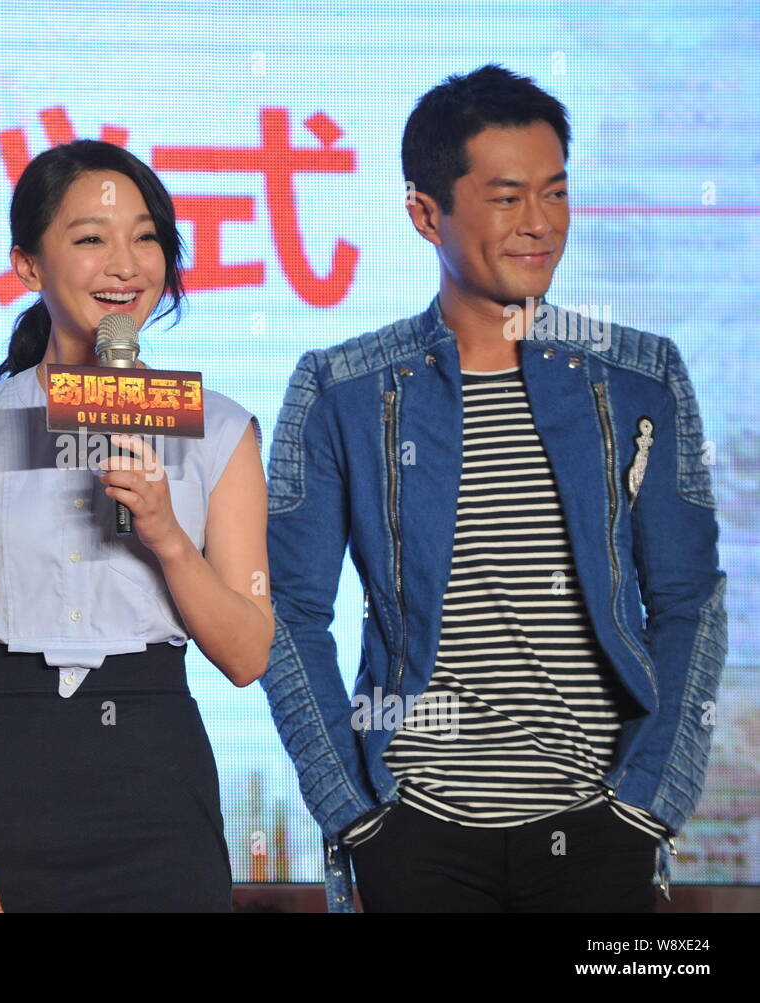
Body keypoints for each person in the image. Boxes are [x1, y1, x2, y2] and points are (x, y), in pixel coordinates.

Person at [262, 64, 726, 913]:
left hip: (601, 821)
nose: (541, 225)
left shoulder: (638, 376)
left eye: (554, 193)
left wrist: (649, 803)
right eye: (508, 198)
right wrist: (356, 817)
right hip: (417, 831)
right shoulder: (343, 389)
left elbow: (689, 599)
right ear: (425, 212)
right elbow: (287, 611)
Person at [0, 139, 272, 912]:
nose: (126, 264)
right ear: (29, 266)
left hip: (156, 772)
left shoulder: (219, 431)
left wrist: (168, 535)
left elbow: (247, 653)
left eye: (146, 238)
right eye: (91, 238)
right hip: (10, 761)